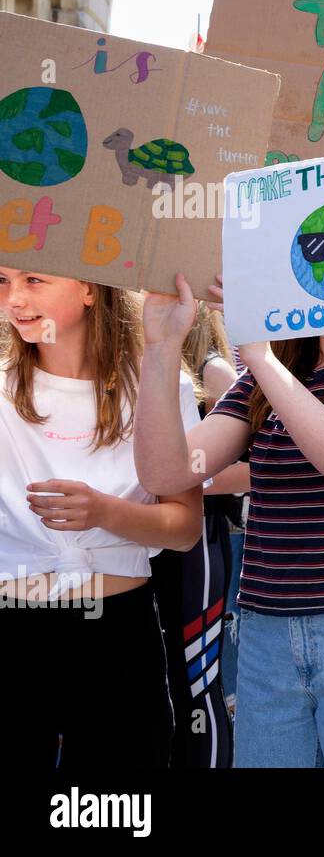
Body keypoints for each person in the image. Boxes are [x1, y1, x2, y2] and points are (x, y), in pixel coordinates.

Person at [134, 275, 324, 768]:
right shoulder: (267, 379)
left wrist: (259, 353)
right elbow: (167, 471)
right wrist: (160, 346)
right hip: (267, 632)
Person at [0, 268, 203, 767]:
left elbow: (184, 527)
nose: (15, 298)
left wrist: (103, 511)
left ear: (90, 287)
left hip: (119, 630)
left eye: (34, 280)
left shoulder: (157, 385)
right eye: (2, 281)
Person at [152, 305, 249, 767]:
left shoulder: (213, 369)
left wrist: (192, 479)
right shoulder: (148, 364)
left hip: (201, 539)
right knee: (172, 674)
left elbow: (257, 465)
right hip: (147, 537)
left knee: (197, 677)